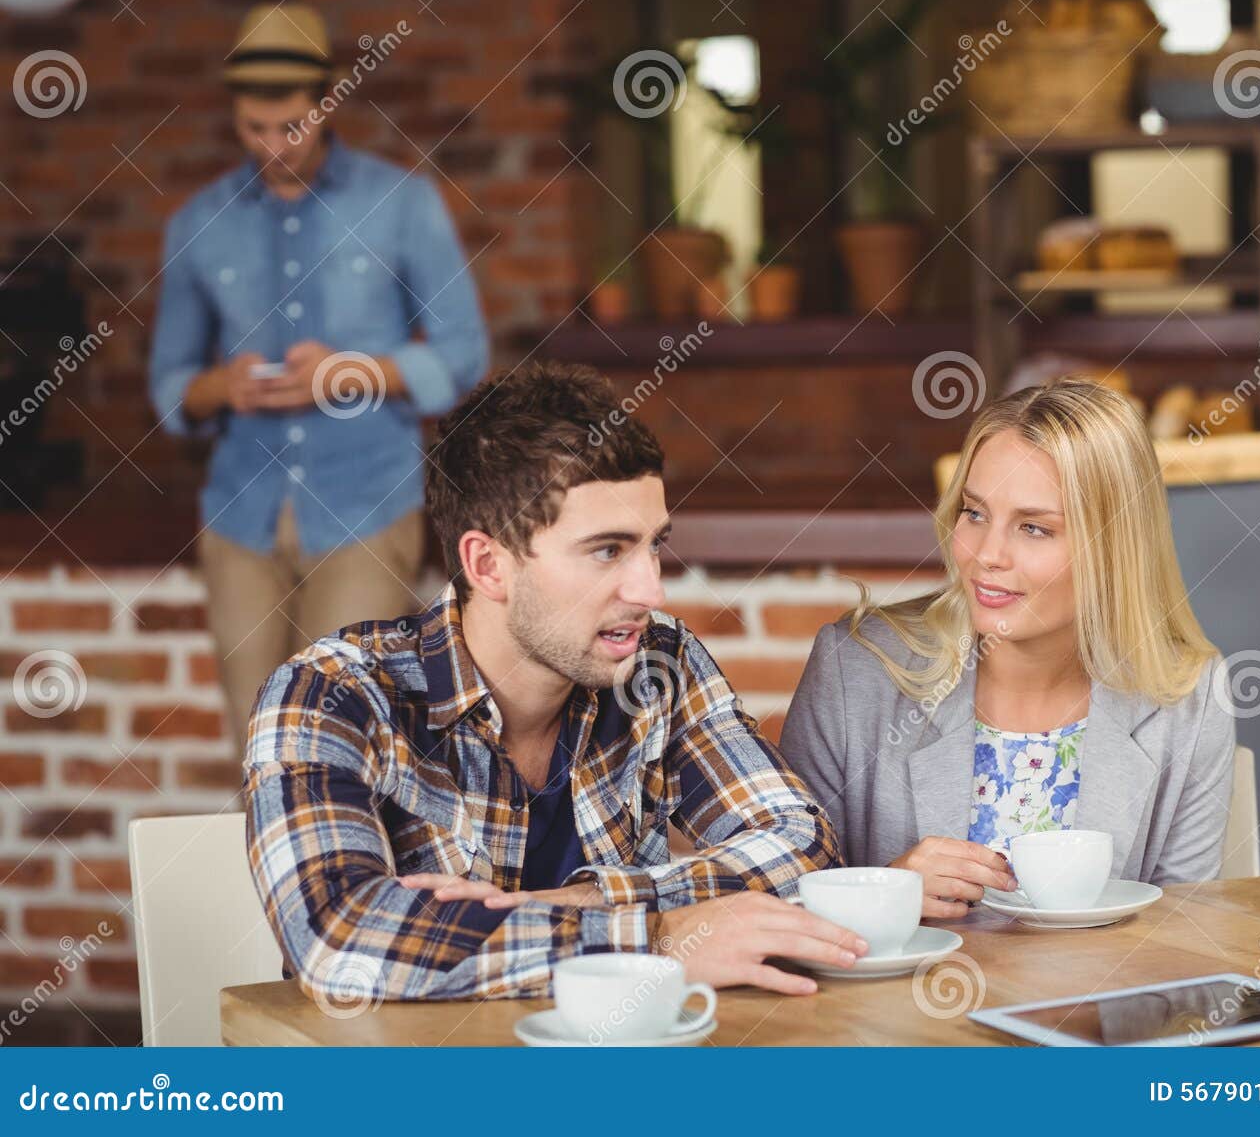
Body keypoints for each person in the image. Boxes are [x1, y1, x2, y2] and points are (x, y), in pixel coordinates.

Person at [244, 362, 866, 1002]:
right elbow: (339, 939)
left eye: (654, 545)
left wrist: (576, 903)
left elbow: (803, 848)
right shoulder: (330, 695)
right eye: (607, 551)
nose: (650, 590)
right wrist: (655, 938)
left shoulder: (658, 664)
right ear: (488, 565)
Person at [147, 3, 489, 749]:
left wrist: (350, 372)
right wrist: (221, 388)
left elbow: (463, 353)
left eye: (292, 127)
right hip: (241, 516)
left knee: (343, 737)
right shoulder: (198, 222)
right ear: (234, 115)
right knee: (260, 745)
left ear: (328, 102)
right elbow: (172, 384)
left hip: (366, 506)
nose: (275, 146)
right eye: (255, 130)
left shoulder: (401, 203)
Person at [781, 378, 1236, 920]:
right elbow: (780, 912)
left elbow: (1184, 935)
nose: (987, 554)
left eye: (1034, 528)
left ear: (1115, 547)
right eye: (974, 513)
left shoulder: (1191, 697)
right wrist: (886, 893)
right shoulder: (853, 672)